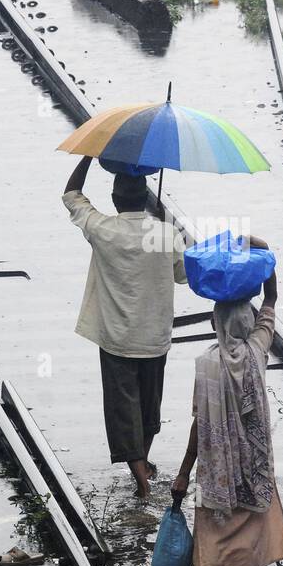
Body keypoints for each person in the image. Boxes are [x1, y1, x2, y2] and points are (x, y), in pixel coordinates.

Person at [171, 240, 283, 566]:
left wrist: (185, 472)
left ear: (216, 324)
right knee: (246, 548)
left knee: (217, 553)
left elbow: (197, 424)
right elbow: (271, 298)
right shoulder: (258, 350)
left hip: (218, 477)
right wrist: (259, 248)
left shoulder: (206, 364)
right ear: (248, 322)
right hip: (254, 476)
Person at [63, 156, 187, 500]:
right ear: (145, 197)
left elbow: (72, 195)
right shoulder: (166, 233)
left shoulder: (103, 230)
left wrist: (87, 156)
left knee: (122, 411)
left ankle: (142, 480)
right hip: (155, 339)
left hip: (117, 339)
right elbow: (182, 275)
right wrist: (166, 227)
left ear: (116, 200)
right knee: (149, 409)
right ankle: (143, 464)